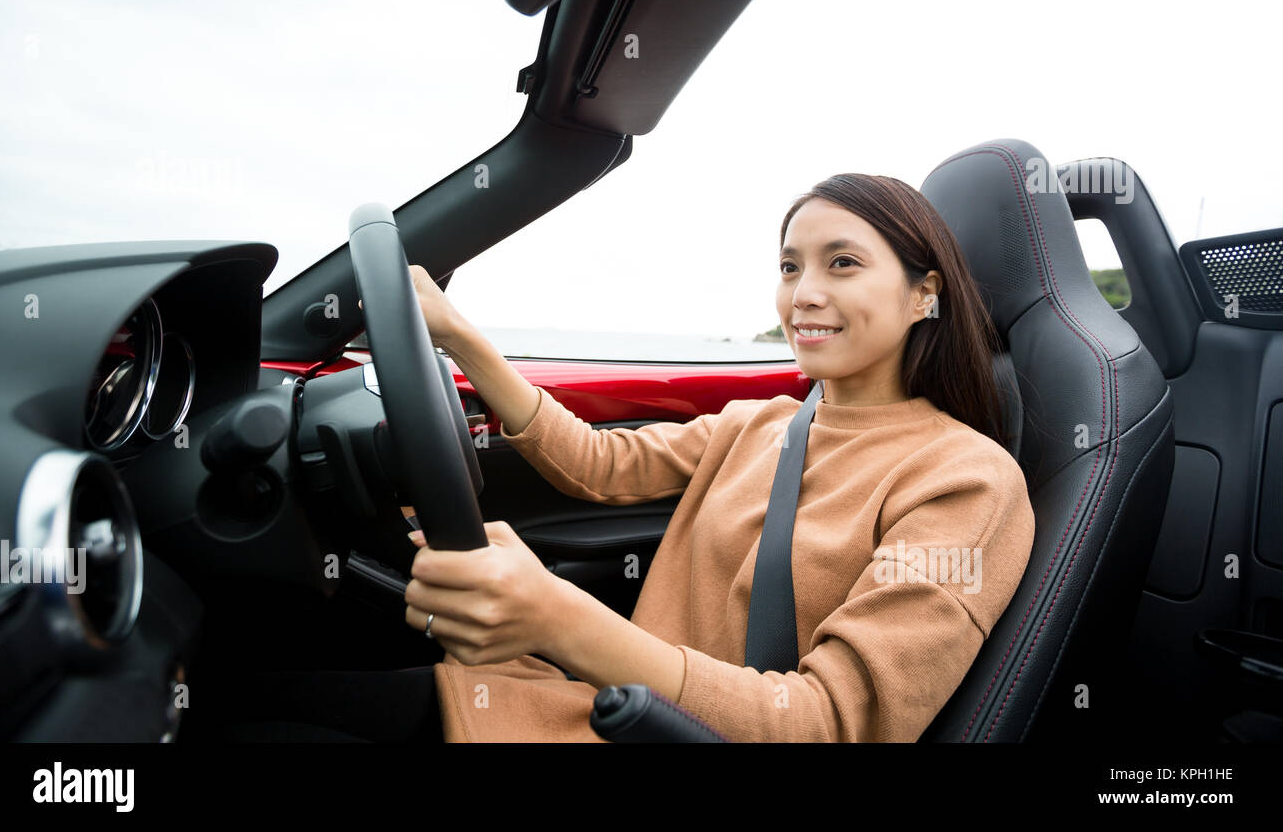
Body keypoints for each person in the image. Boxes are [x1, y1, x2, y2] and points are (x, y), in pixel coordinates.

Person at [214, 173, 1035, 743]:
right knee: (228, 702)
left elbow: (825, 725)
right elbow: (599, 467)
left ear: (925, 293)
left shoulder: (965, 482)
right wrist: (463, 337)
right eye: (789, 267)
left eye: (842, 264)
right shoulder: (760, 425)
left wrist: (558, 619)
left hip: (650, 730)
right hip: (584, 710)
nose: (802, 295)